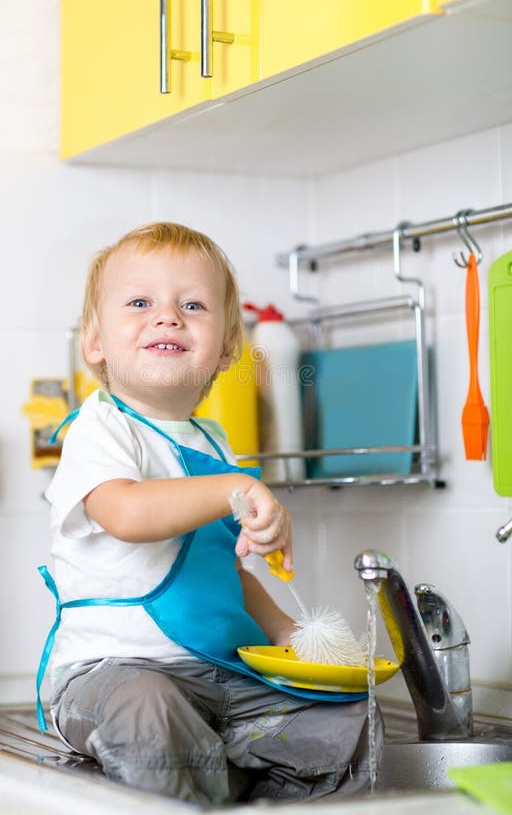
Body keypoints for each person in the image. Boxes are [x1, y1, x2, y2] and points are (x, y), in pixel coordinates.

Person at [38, 221, 382, 804]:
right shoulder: (100, 427)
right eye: (141, 302)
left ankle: (224, 778)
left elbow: (223, 568)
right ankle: (194, 777)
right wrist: (235, 489)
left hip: (222, 682)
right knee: (151, 708)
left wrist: (286, 631)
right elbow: (125, 512)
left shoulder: (216, 443)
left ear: (226, 349)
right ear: (95, 343)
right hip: (111, 677)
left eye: (192, 305)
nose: (168, 316)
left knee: (349, 721)